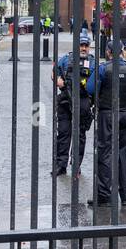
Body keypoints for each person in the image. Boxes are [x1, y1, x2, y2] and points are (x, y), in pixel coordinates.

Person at [87, 40, 126, 206]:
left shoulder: (103, 68)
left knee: (105, 152)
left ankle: (104, 195)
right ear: (121, 52)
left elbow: (90, 89)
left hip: (107, 113)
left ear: (109, 52)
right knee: (125, 153)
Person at [53, 29, 95, 176]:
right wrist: (57, 79)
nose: (83, 48)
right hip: (65, 100)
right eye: (81, 45)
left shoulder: (93, 62)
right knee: (64, 133)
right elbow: (55, 72)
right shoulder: (66, 59)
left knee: (80, 135)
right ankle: (60, 165)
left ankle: (76, 165)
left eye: (86, 45)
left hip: (83, 101)